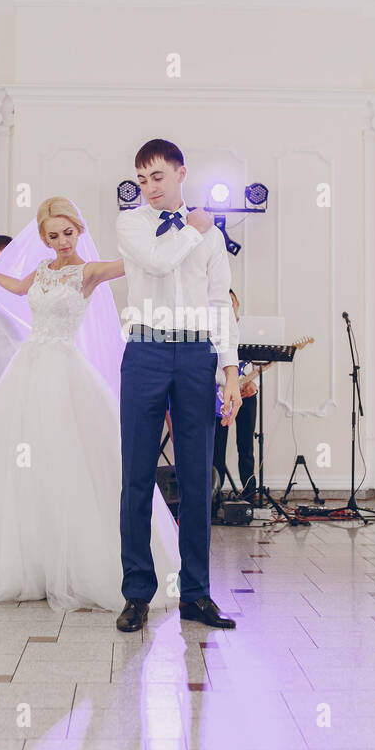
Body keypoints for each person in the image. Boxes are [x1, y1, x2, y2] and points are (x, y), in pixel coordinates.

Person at [0, 197, 179, 612]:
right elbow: (20, 289)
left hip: (65, 369)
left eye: (68, 233)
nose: (61, 241)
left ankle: (83, 564)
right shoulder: (42, 270)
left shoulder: (89, 271)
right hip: (29, 369)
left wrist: (163, 236)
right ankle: (27, 562)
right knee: (21, 460)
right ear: (44, 238)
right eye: (53, 235)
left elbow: (134, 264)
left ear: (79, 232)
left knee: (71, 457)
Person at [115, 138, 241, 633]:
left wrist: (229, 372)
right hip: (144, 351)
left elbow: (218, 304)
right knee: (136, 477)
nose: (148, 187)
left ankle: (196, 594)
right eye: (142, 179)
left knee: (196, 476)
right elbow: (158, 261)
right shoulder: (131, 223)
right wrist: (195, 228)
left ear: (181, 173)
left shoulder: (209, 232)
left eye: (158, 177)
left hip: (195, 354)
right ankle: (137, 593)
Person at [213, 288, 259, 499]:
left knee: (246, 447)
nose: (229, 305)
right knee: (217, 450)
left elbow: (255, 364)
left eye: (232, 301)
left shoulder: (250, 331)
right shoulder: (213, 330)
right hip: (220, 396)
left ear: (237, 304)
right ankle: (214, 495)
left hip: (247, 397)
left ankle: (250, 494)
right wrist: (227, 385)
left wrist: (253, 385)